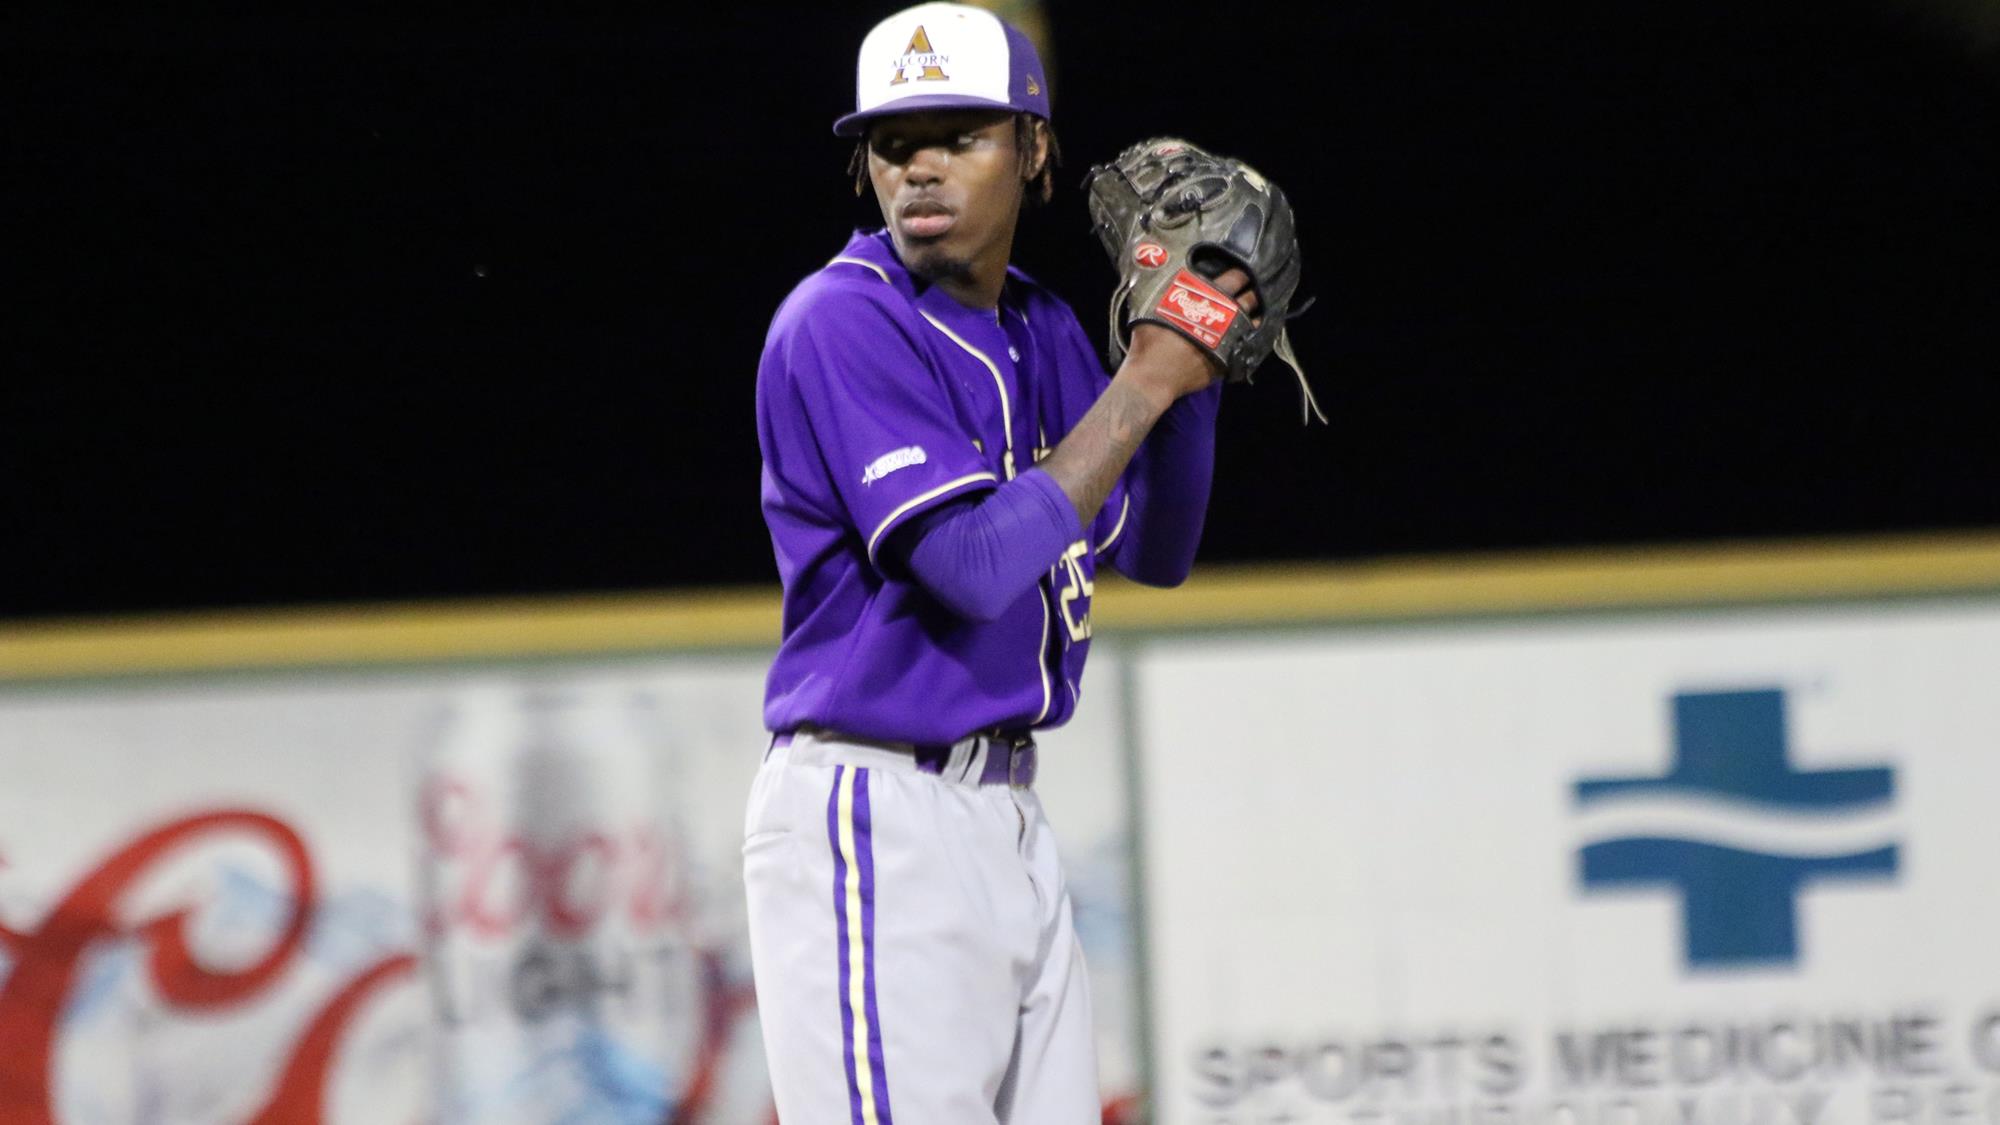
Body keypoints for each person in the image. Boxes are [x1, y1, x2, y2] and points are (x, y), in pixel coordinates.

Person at [742, 3, 1258, 1121]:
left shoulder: (1039, 328)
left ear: (1033, 150)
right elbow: (970, 567)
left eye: (960, 134)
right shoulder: (840, 321)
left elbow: (1157, 552)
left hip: (1008, 821)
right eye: (892, 143)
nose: (920, 167)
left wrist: (1191, 366)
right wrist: (1147, 380)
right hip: (875, 815)